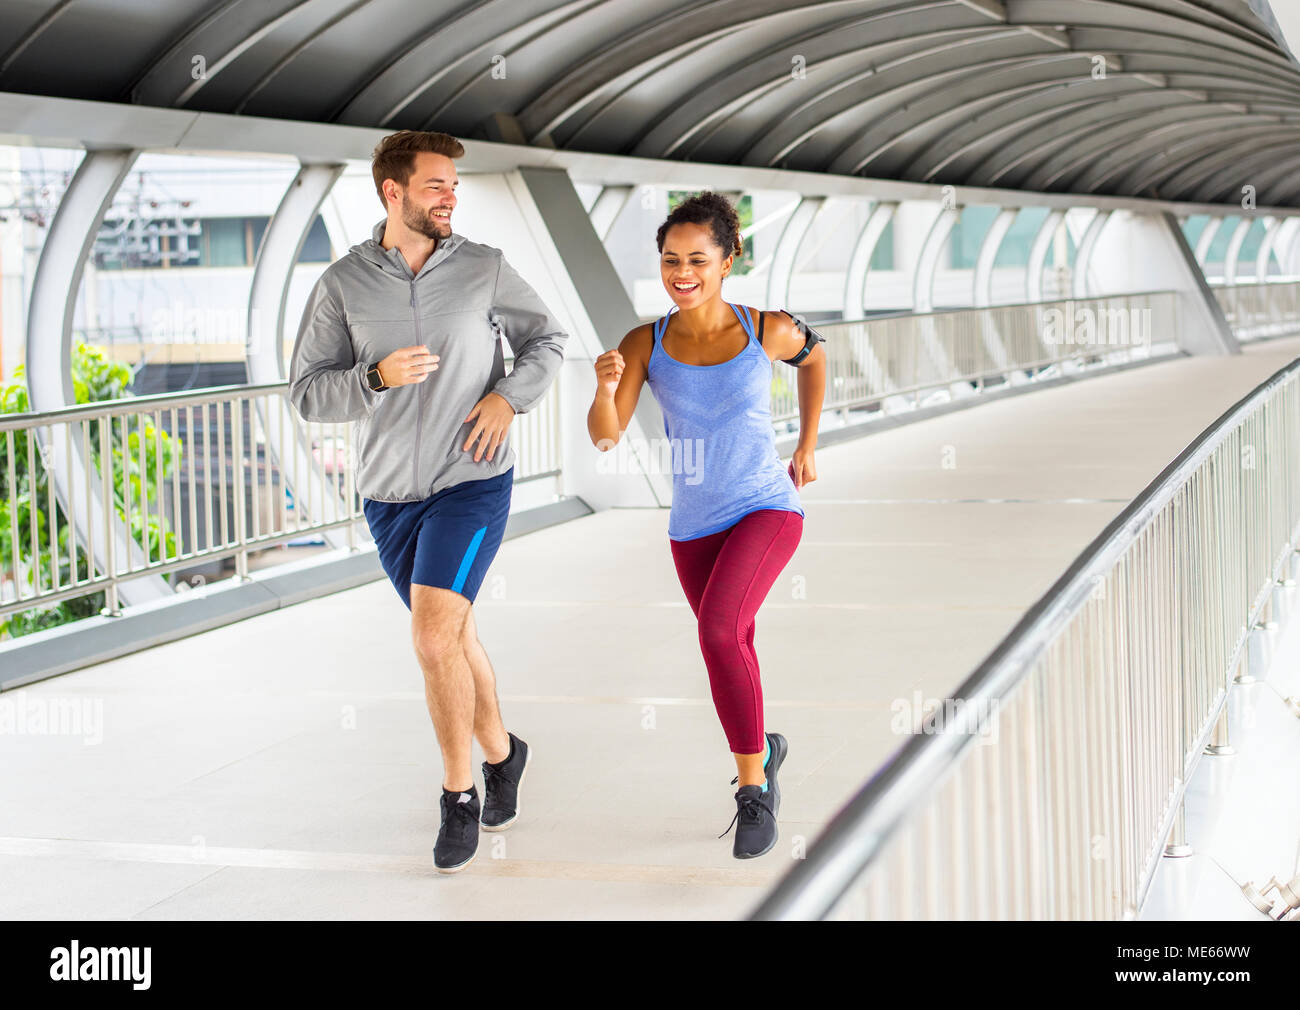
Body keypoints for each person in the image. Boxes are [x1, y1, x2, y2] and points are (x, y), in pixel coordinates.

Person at [288, 130, 568, 873]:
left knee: (432, 640)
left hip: (472, 481)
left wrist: (509, 399)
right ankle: (506, 754)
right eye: (436, 185)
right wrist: (372, 380)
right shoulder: (343, 284)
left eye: (454, 186)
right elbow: (308, 393)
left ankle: (459, 795)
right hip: (387, 495)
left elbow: (548, 340)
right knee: (456, 637)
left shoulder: (483, 268)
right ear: (394, 192)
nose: (450, 197)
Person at [586, 192, 826, 858]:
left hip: (766, 507)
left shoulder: (763, 329)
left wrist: (807, 444)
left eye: (697, 259)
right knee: (730, 643)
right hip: (692, 527)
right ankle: (766, 749)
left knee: (719, 632)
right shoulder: (646, 342)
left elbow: (816, 359)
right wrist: (605, 390)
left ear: (728, 260)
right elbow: (605, 438)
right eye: (670, 260)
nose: (682, 272)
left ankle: (754, 793)